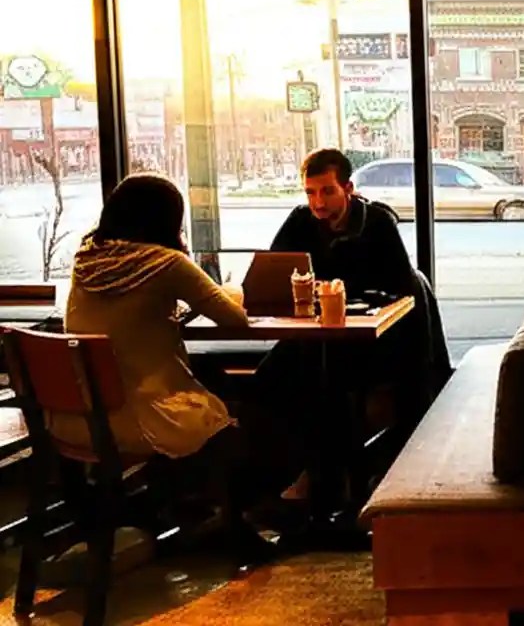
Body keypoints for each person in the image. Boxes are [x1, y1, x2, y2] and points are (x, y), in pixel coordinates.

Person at [63, 173, 290, 563]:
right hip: (137, 419)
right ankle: (228, 523)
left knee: (213, 386)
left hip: (74, 417)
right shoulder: (165, 262)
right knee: (254, 424)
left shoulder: (87, 260)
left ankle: (175, 510)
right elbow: (234, 318)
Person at [263, 149, 445, 506]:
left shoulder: (376, 223)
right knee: (271, 379)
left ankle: (324, 480)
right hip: (319, 336)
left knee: (325, 378)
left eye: (327, 191)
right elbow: (275, 270)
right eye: (310, 192)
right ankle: (301, 478)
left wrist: (346, 293)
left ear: (348, 188)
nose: (318, 202)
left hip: (381, 338)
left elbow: (397, 285)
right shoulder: (300, 222)